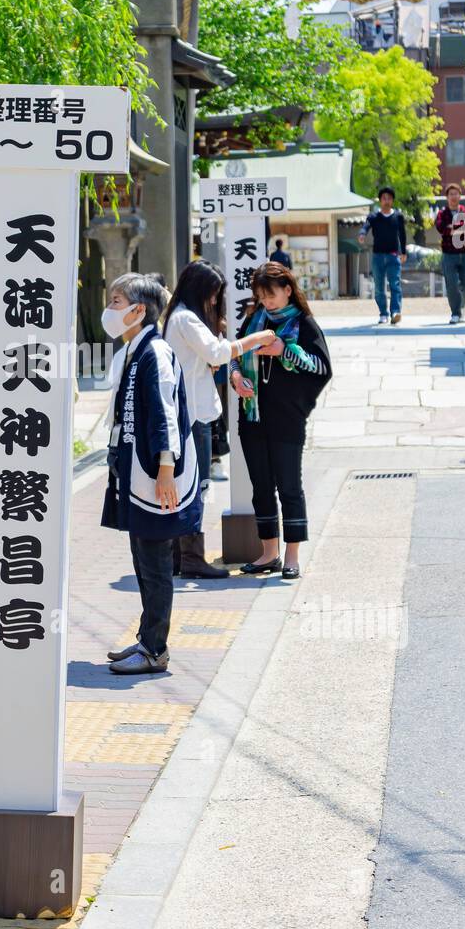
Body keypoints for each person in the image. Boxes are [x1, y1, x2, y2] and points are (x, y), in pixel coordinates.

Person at [101, 273, 201, 676]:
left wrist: (164, 469)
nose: (110, 309)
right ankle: (147, 638)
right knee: (143, 559)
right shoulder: (133, 351)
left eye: (117, 301)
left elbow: (164, 416)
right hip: (135, 474)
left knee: (156, 564)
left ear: (139, 310)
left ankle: (156, 649)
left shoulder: (154, 353)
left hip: (154, 475)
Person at [162, 260, 276, 579]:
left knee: (187, 483)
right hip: (193, 413)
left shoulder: (178, 316)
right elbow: (217, 353)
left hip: (189, 409)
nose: (214, 301)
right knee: (196, 484)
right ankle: (192, 558)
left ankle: (178, 556)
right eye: (212, 295)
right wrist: (258, 339)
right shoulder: (186, 318)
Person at [230, 262, 332, 581]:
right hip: (252, 414)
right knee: (261, 486)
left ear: (287, 290)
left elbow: (321, 367)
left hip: (287, 418)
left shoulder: (304, 324)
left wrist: (284, 351)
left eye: (271, 294)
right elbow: (234, 350)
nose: (266, 301)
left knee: (289, 487)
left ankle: (292, 555)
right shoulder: (254, 319)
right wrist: (235, 376)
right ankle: (268, 552)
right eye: (261, 295)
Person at [359, 187, 407, 325]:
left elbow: (402, 235)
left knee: (395, 285)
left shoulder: (398, 216)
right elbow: (366, 226)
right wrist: (362, 233)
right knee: (379, 287)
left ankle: (395, 312)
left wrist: (403, 252)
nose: (386, 201)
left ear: (392, 201)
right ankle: (383, 313)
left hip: (393, 256)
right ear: (380, 201)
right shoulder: (374, 217)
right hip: (378, 256)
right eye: (384, 198)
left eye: (389, 198)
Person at [435, 184, 465, 325]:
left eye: (456, 193)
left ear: (460, 196)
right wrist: (457, 228)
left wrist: (452, 228)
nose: (453, 196)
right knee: (451, 285)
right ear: (447, 197)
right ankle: (455, 313)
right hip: (449, 254)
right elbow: (441, 227)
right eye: (451, 194)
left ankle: (461, 304)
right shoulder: (442, 214)